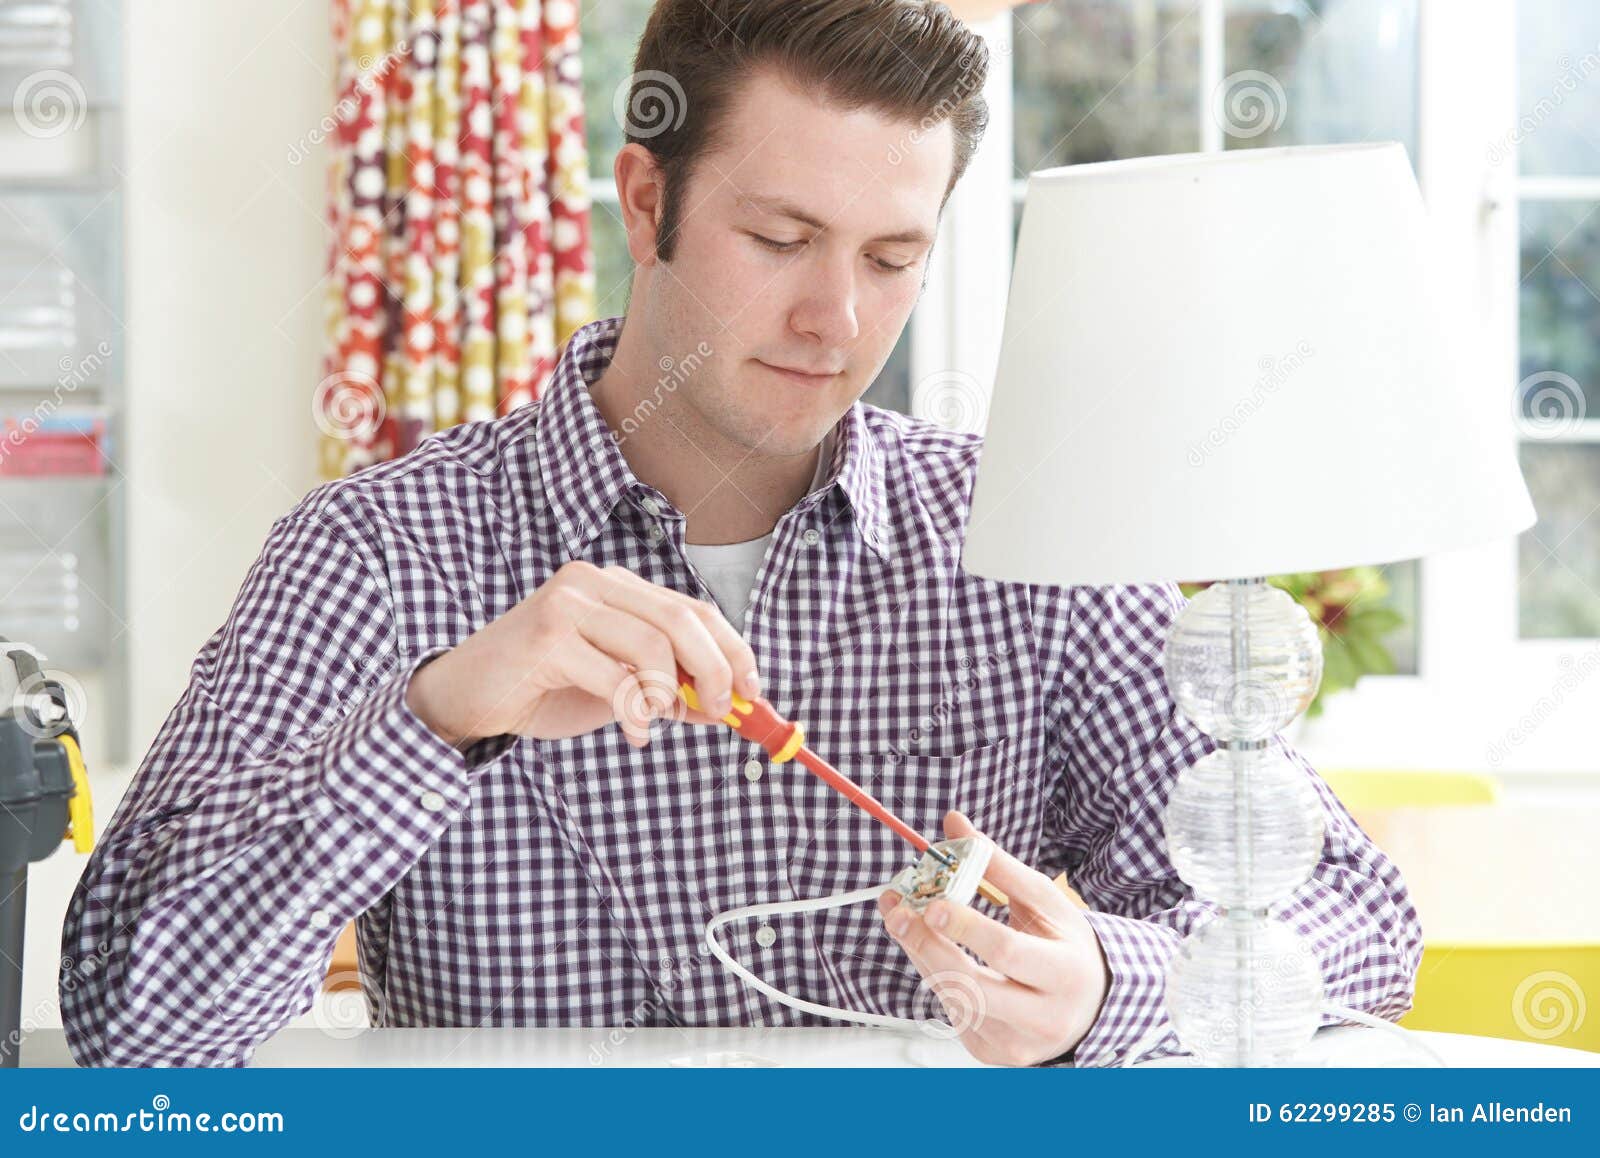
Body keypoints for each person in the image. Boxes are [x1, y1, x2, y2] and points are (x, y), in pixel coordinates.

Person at [60, 0, 1421, 1067]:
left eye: (892, 259)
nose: (837, 319)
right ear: (645, 203)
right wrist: (437, 718)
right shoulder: (374, 553)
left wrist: (1105, 989)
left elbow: (1356, 922)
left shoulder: (1027, 544)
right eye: (780, 237)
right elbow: (132, 1026)